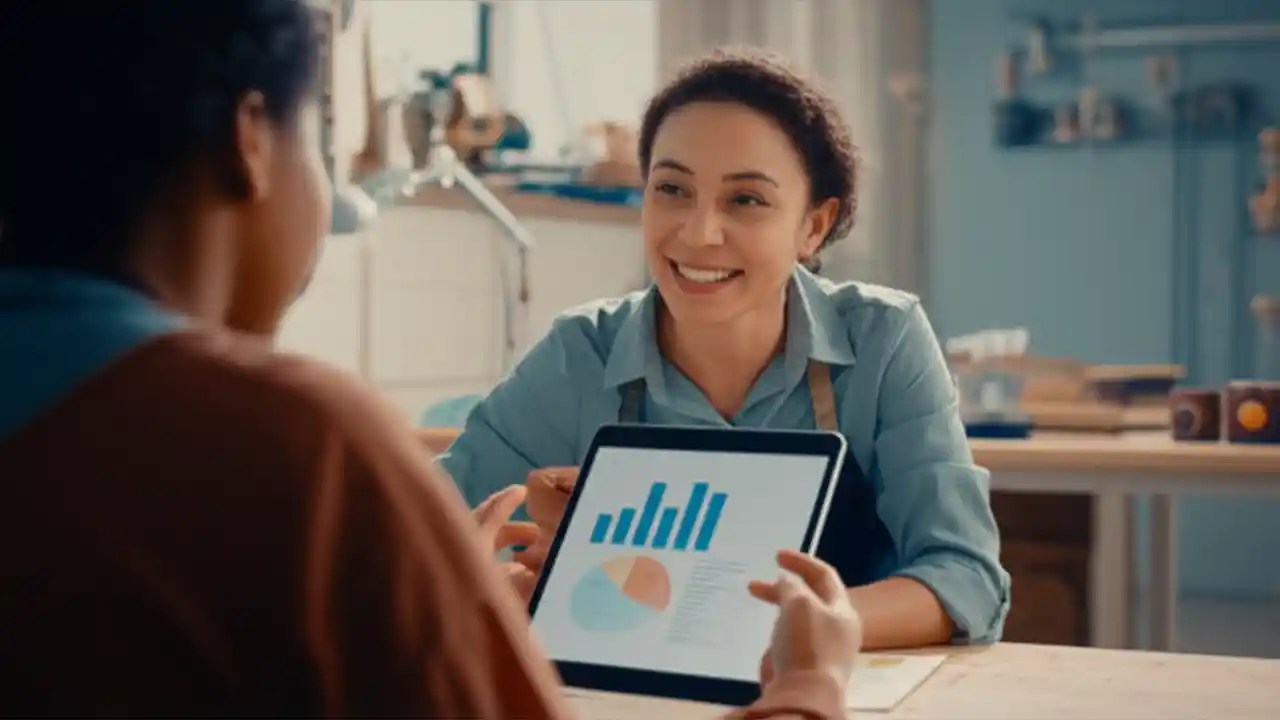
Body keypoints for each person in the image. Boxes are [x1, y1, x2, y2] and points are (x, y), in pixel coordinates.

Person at [0, 2, 860, 717]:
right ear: (250, 138)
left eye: (744, 198)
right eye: (322, 134)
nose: (699, 228)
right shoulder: (296, 450)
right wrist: (809, 688)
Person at [440, 50, 1011, 651]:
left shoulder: (883, 341)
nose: (698, 231)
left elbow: (964, 577)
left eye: (746, 200)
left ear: (813, 227)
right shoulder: (579, 354)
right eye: (672, 189)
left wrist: (782, 625)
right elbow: (418, 530)